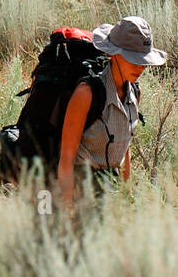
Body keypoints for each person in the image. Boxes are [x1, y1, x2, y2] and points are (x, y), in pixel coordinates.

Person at [55, 17, 165, 204]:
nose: (141, 67)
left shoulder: (135, 92)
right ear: (115, 55)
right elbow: (66, 159)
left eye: (143, 61)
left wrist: (126, 195)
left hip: (112, 190)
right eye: (133, 60)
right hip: (83, 191)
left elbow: (124, 147)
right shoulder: (87, 94)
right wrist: (67, 210)